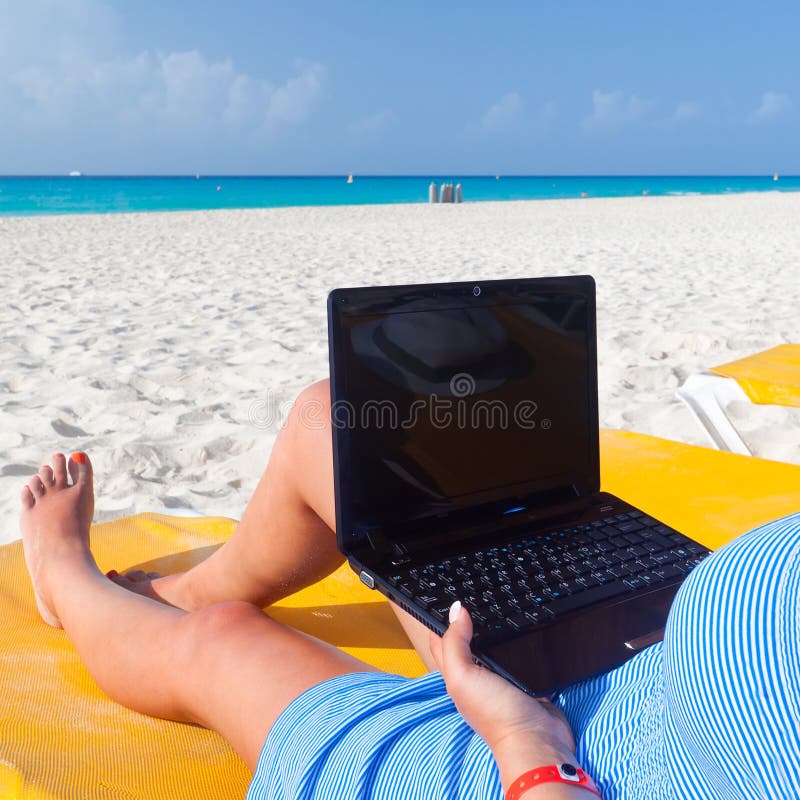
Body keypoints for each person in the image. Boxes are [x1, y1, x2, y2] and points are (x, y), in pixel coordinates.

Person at [19, 380, 800, 800]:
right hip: (642, 643)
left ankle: (64, 578)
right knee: (330, 421)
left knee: (225, 640)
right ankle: (193, 587)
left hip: (541, 757)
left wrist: (527, 745)